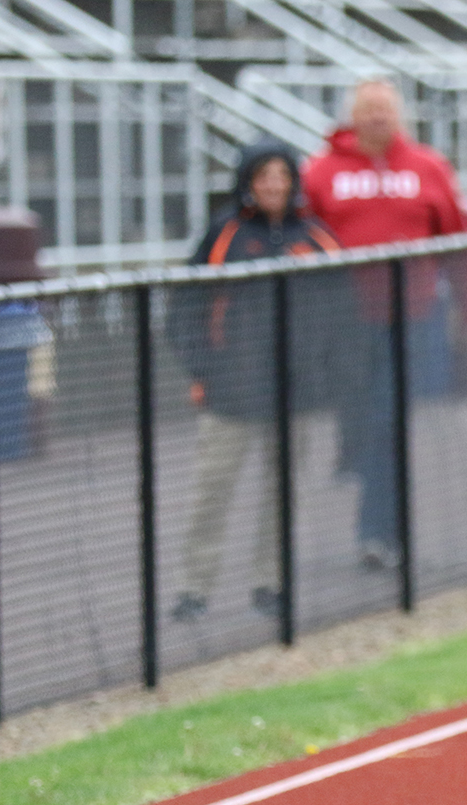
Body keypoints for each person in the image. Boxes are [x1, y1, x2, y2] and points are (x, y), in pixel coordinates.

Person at [301, 80, 467, 570]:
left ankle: (378, 530)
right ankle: (354, 464)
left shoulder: (427, 167)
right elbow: (298, 237)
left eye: (385, 110)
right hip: (344, 323)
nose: (378, 118)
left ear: (399, 116)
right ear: (353, 116)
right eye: (369, 110)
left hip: (412, 318)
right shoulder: (321, 171)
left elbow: (461, 240)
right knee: (361, 417)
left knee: (387, 421)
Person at [172, 140, 340, 624]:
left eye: (282, 176)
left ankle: (271, 581)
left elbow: (339, 312)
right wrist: (203, 370)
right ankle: (194, 587)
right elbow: (187, 307)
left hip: (297, 393)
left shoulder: (317, 239)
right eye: (264, 176)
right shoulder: (222, 235)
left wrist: (325, 371)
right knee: (213, 489)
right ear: (249, 181)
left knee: (284, 489)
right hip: (231, 393)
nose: (274, 185)